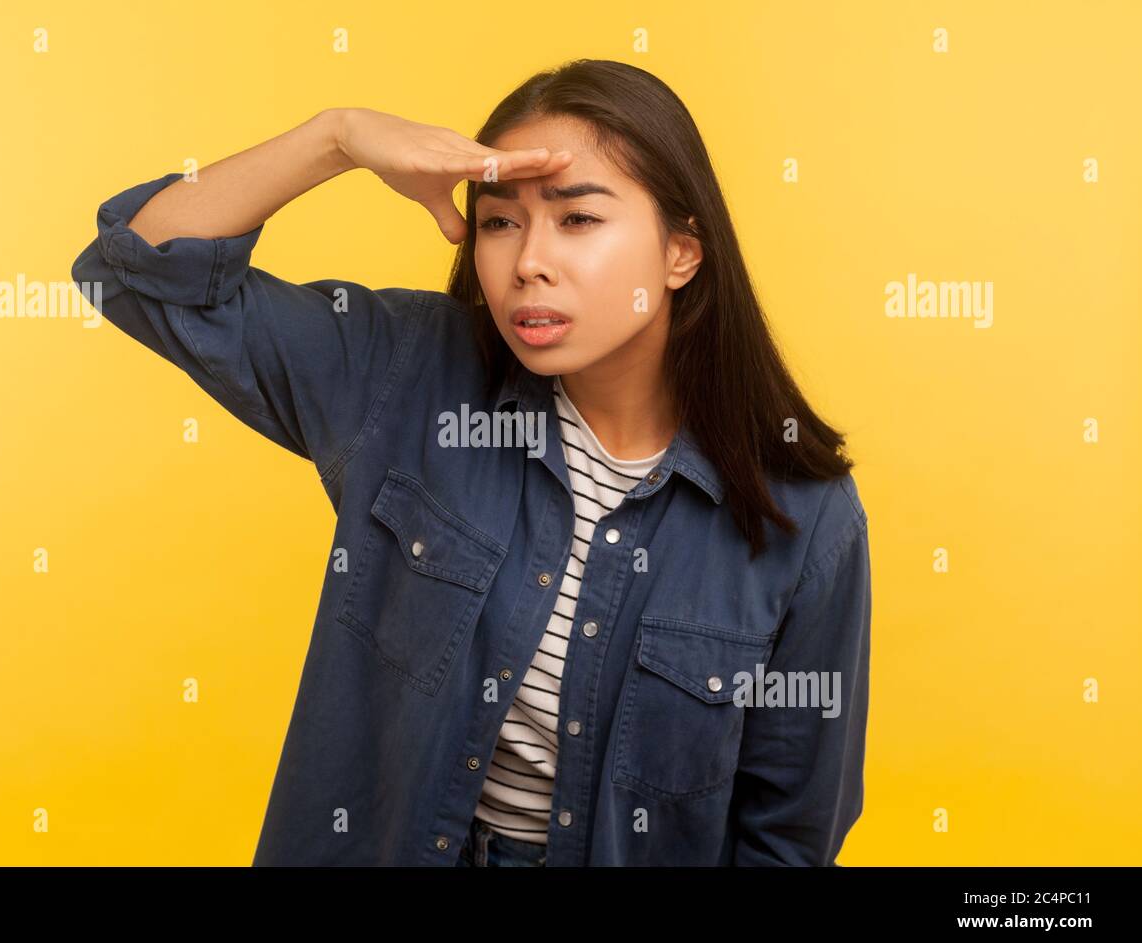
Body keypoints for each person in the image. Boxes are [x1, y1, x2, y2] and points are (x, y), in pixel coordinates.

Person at [70, 58, 872, 867]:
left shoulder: (804, 516)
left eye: (579, 220)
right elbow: (137, 272)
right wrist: (336, 137)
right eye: (498, 222)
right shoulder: (408, 372)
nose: (528, 262)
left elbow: (788, 839)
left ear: (680, 255)